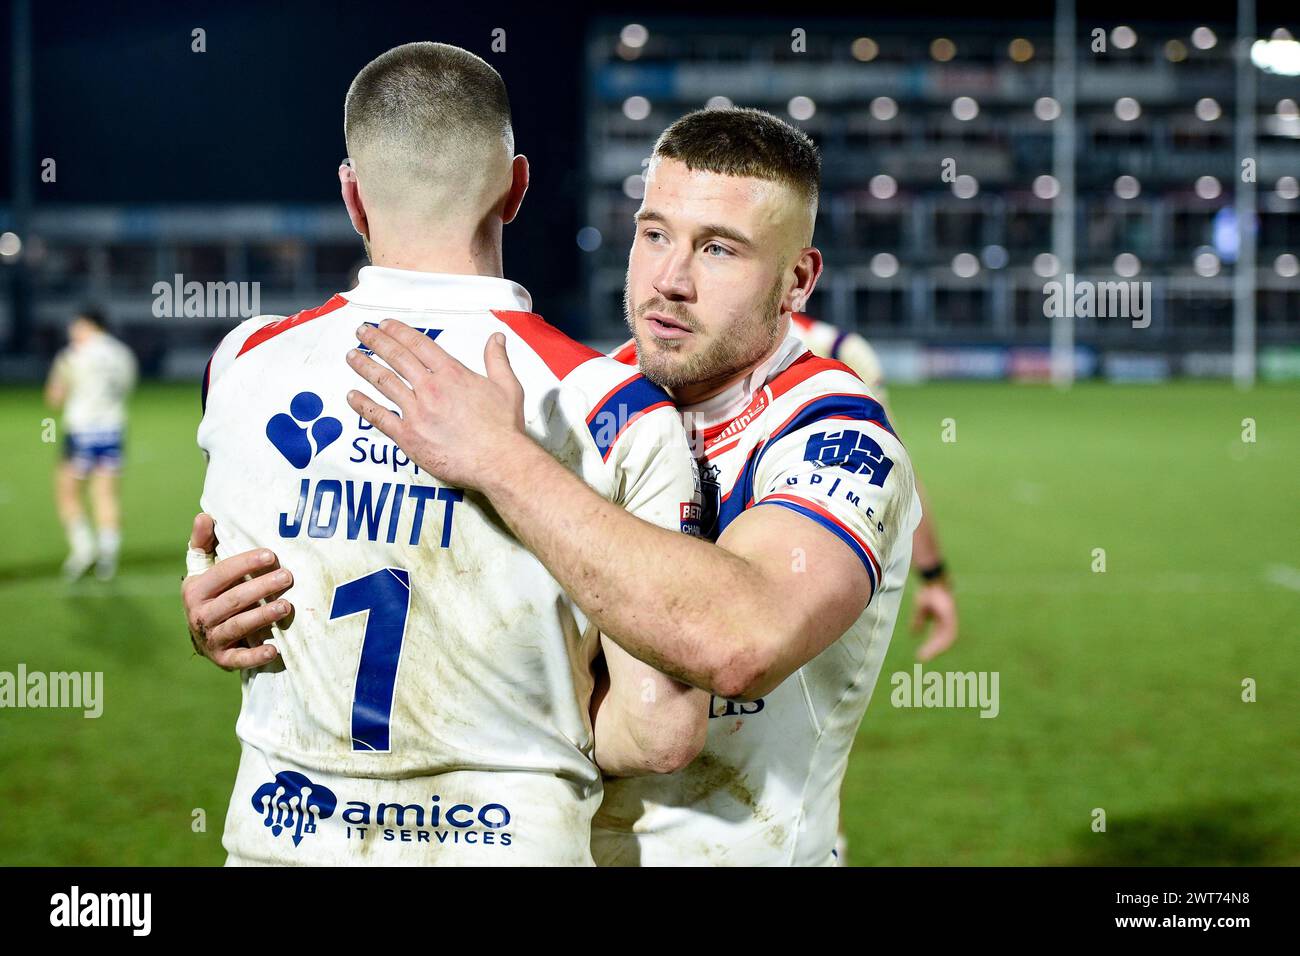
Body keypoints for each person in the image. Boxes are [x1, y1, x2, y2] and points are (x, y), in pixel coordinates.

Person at [347, 107, 923, 865]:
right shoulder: (582, 396)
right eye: (655, 234)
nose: (670, 281)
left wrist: (505, 462)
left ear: (797, 281)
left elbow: (735, 641)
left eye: (719, 250)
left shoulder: (839, 441)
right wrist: (257, 603)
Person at [187, 42, 705, 866]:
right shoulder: (622, 412)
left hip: (280, 836)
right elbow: (661, 733)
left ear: (353, 197)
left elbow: (221, 575)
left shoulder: (241, 365)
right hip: (504, 843)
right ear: (517, 188)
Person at [44, 307, 136, 581]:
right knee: (105, 494)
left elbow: (54, 397)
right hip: (111, 429)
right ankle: (108, 557)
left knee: (67, 491)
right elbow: (126, 387)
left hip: (81, 430)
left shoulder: (74, 353)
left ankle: (83, 548)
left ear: (86, 324)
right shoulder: (122, 353)